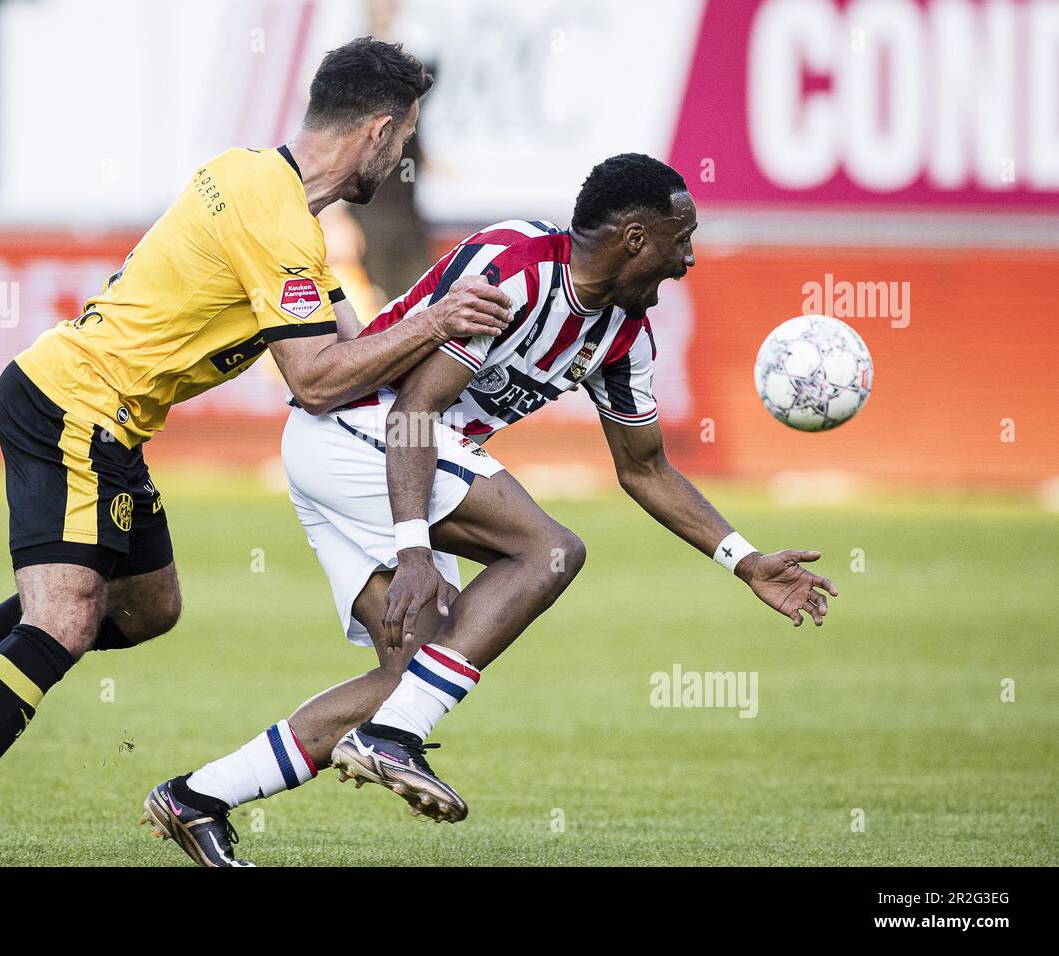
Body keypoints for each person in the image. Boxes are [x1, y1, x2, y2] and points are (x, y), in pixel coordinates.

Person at [0, 37, 513, 867]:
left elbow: (356, 349)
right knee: (62, 616)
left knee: (145, 608)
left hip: (106, 418)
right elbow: (315, 382)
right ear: (379, 132)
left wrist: (444, 343)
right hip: (75, 406)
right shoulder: (274, 215)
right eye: (406, 134)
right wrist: (435, 324)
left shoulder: (265, 190)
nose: (404, 152)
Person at [146, 153, 838, 865]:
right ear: (635, 238)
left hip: (367, 458)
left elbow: (646, 469)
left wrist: (745, 559)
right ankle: (391, 740)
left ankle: (196, 798)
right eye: (680, 238)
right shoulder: (519, 269)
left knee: (410, 675)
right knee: (551, 549)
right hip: (363, 429)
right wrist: (414, 549)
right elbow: (415, 406)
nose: (689, 257)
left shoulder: (624, 337)